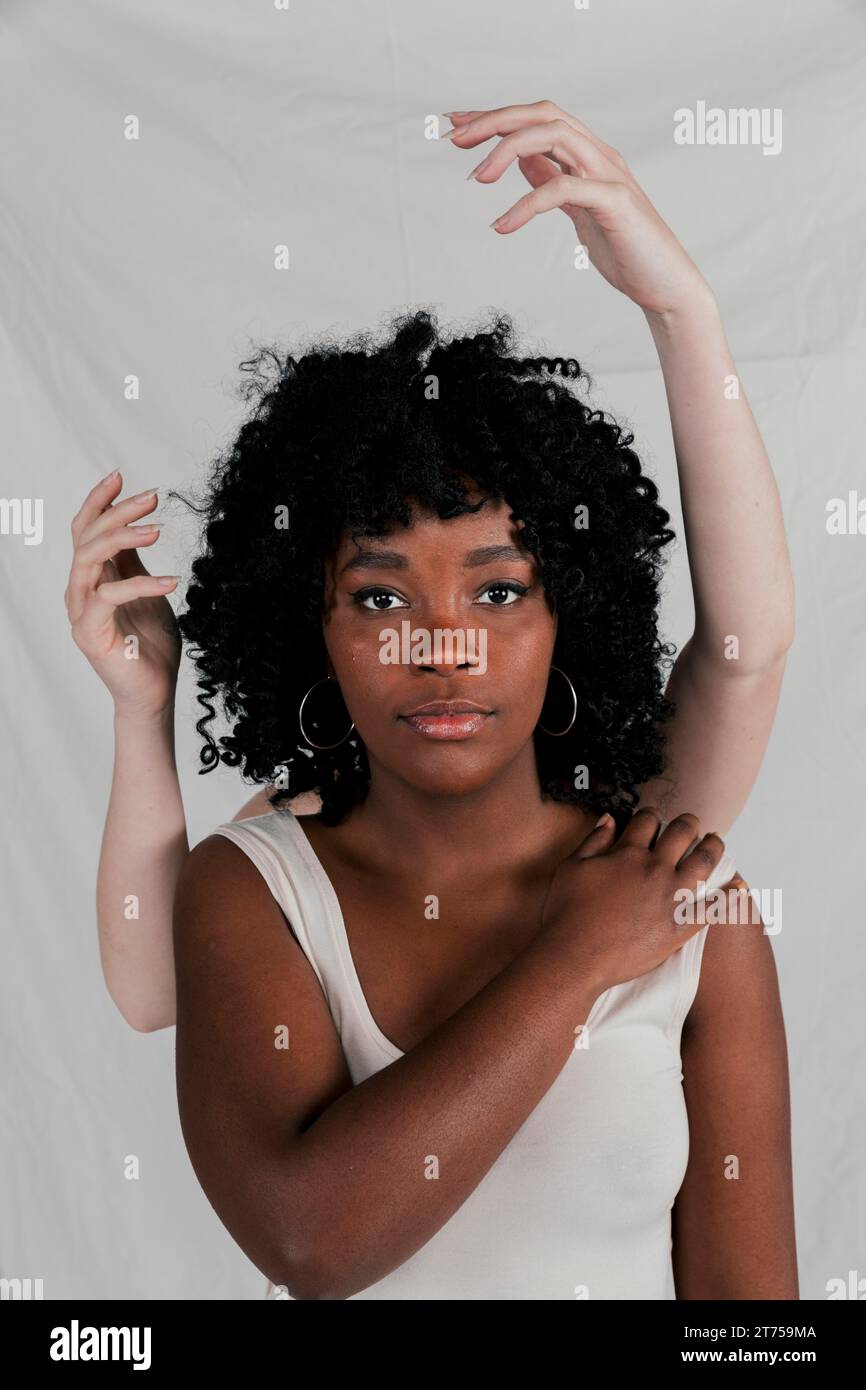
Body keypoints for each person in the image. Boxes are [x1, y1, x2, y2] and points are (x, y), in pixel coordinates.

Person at [65, 101, 797, 1299]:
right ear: (311, 626)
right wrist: (572, 958)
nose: (444, 647)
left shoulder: (672, 883)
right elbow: (312, 1239)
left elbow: (752, 1319)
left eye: (501, 590)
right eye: (377, 600)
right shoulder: (258, 889)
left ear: (574, 614)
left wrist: (681, 312)